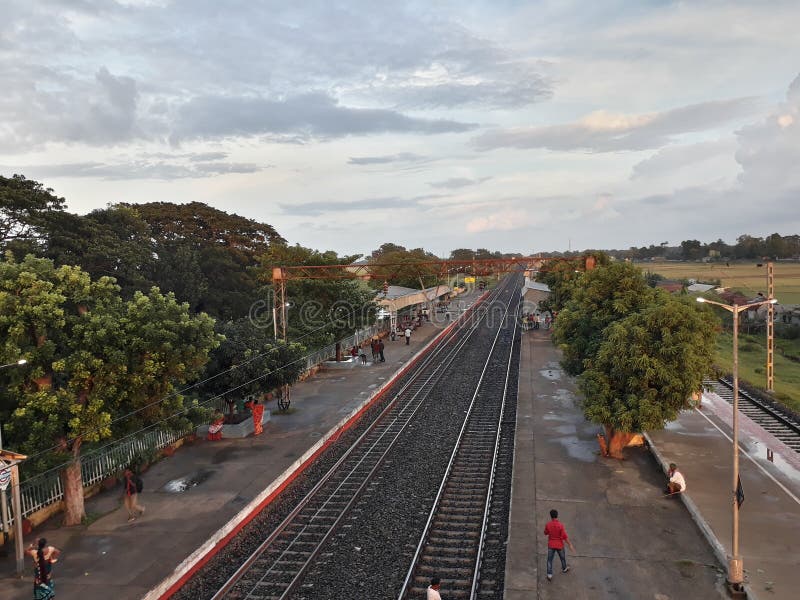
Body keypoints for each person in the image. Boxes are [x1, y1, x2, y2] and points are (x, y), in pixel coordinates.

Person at [543, 509, 575, 581]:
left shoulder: (548, 524)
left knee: (549, 560)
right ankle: (564, 568)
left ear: (551, 516)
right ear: (557, 515)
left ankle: (549, 575)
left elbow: (545, 533)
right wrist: (570, 544)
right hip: (559, 545)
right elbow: (564, 536)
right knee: (562, 558)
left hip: (551, 545)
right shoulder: (560, 525)